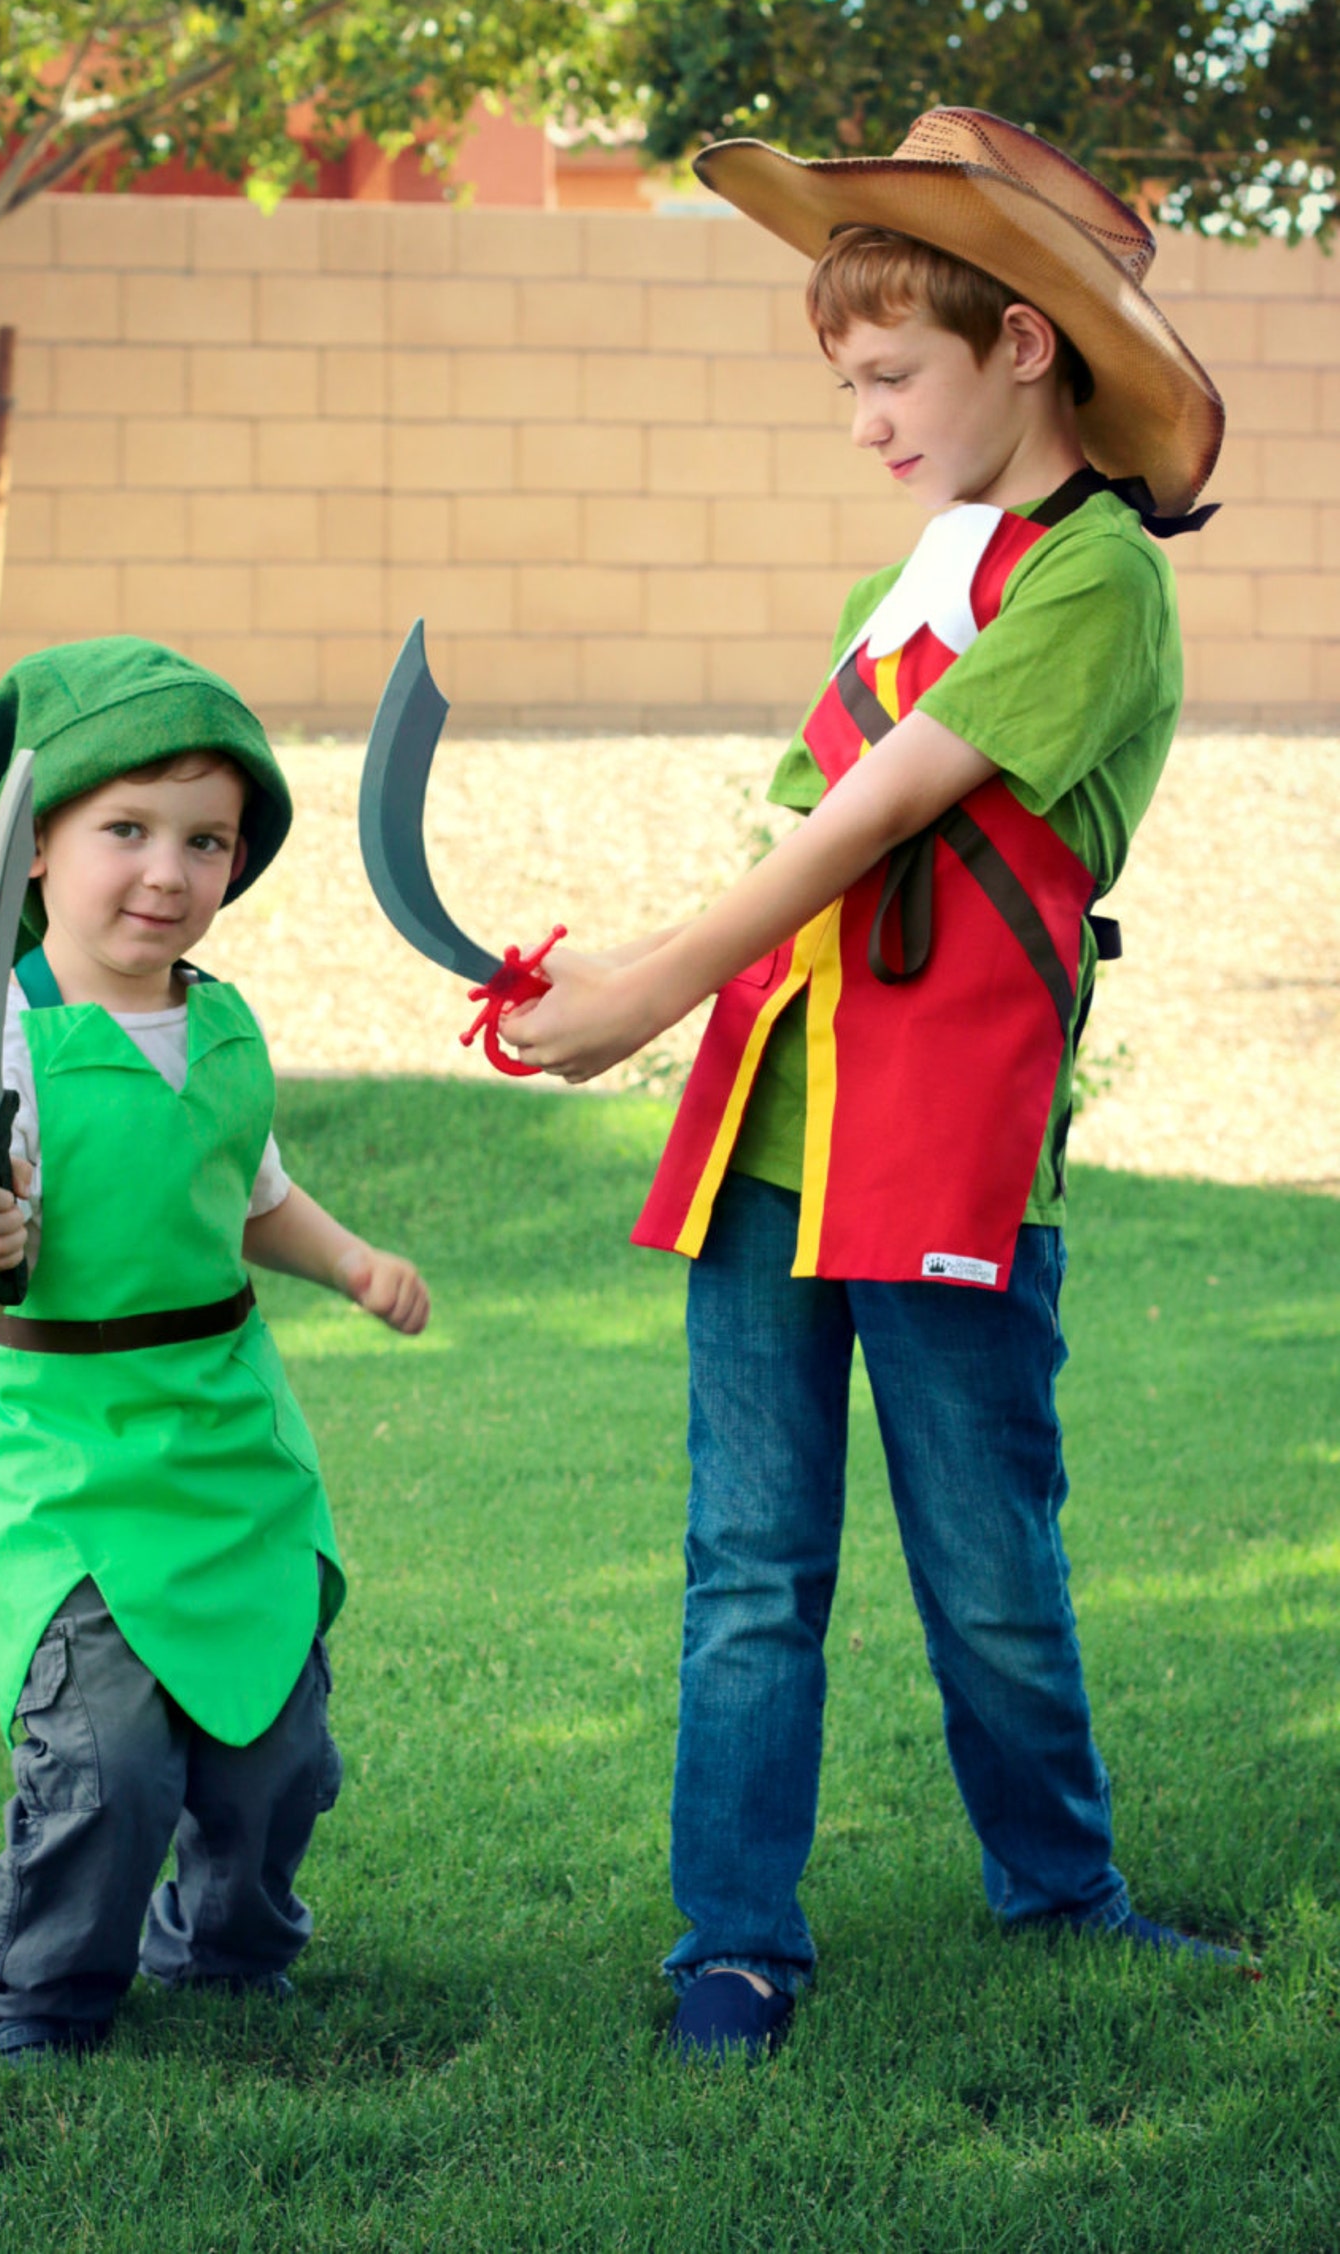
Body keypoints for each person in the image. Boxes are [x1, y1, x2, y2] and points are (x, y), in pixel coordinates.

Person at [502, 109, 1248, 2059]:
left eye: (889, 375)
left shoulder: (1090, 586)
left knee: (987, 1573)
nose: (863, 420)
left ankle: (1057, 1893)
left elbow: (878, 818)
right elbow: (786, 861)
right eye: (843, 381)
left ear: (1023, 346)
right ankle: (731, 1942)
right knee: (746, 1568)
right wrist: (640, 975)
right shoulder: (891, 590)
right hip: (771, 1147)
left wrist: (657, 971)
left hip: (949, 1165)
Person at [0, 637, 428, 2065]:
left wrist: (349, 1260)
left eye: (206, 839)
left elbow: (252, 1195)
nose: (168, 870)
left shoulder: (225, 1027)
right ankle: (48, 1995)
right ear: (35, 853)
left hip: (225, 1435)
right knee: (107, 1756)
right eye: (124, 829)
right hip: (68, 1446)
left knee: (276, 1742)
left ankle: (230, 1950)